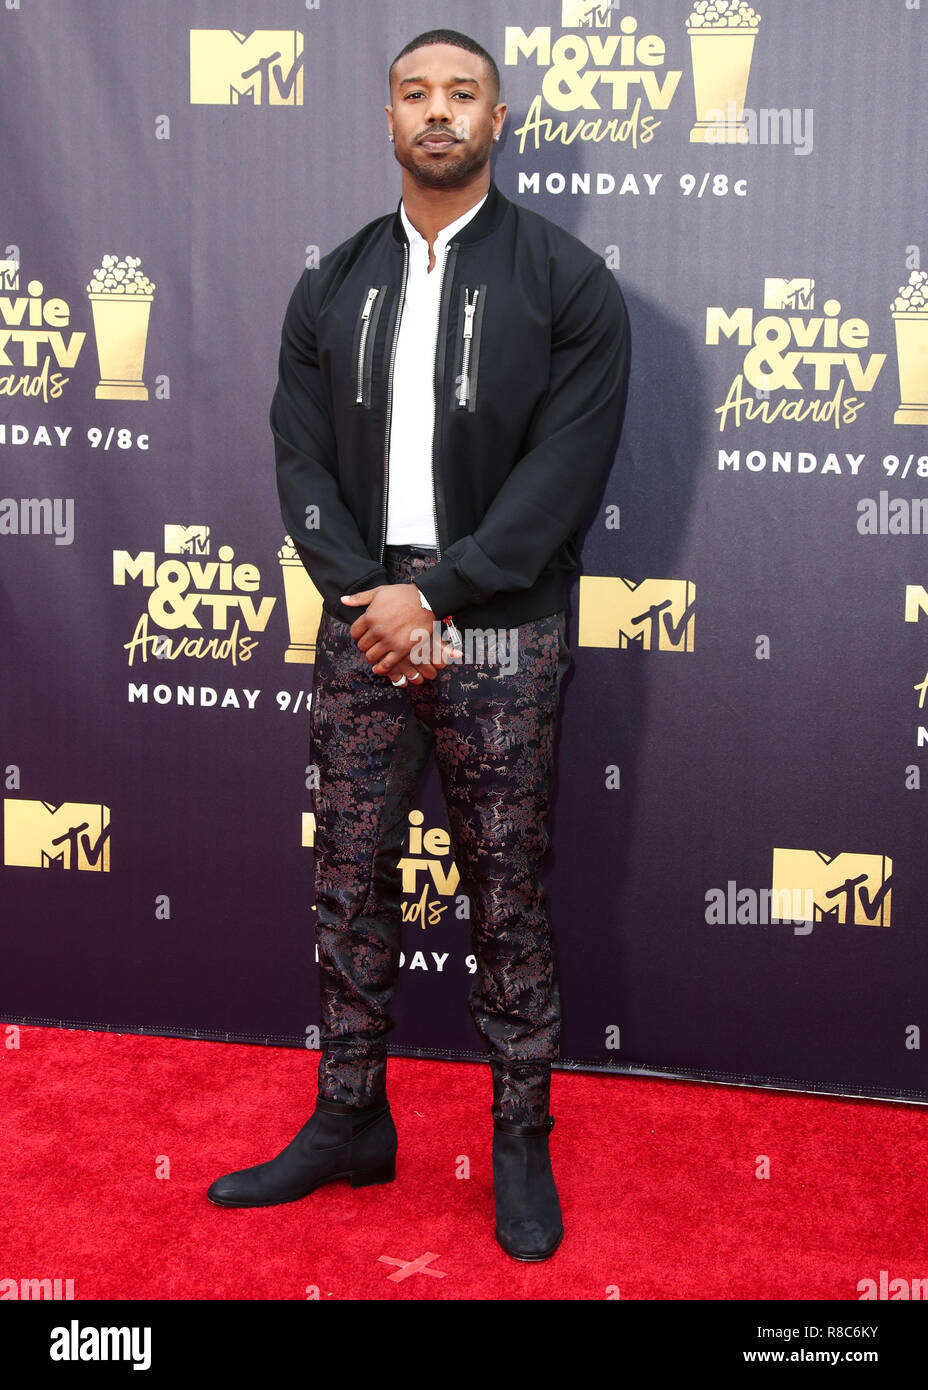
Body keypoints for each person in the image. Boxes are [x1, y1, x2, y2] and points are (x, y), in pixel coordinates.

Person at [208, 27, 630, 1263]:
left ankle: (517, 1139)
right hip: (361, 628)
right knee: (349, 876)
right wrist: (367, 598)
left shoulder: (565, 280)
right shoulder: (331, 282)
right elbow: (298, 458)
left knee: (506, 888)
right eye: (414, 94)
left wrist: (437, 593)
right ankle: (350, 1119)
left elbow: (565, 475)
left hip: (499, 630)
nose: (436, 113)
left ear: (499, 120)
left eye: (461, 95)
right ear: (384, 119)